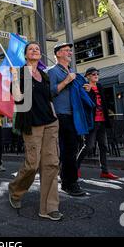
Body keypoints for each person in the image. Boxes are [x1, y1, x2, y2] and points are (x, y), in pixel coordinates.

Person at [8, 41, 62, 221]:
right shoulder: (21, 73)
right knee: (32, 164)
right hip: (31, 124)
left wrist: (54, 115)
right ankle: (15, 191)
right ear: (25, 55)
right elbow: (18, 98)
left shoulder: (44, 76)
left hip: (50, 123)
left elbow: (49, 99)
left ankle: (49, 208)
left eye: (37, 48)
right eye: (31, 48)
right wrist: (15, 78)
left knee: (51, 164)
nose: (35, 50)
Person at [48, 43, 86, 196]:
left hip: (74, 115)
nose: (70, 52)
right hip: (62, 115)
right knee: (69, 149)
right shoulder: (53, 71)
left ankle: (67, 177)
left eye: (70, 50)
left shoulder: (70, 71)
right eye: (66, 50)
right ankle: (69, 183)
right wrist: (66, 81)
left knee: (74, 147)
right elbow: (50, 92)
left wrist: (85, 88)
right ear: (57, 54)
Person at [76, 67, 119, 180]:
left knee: (104, 146)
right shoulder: (84, 87)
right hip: (92, 121)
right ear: (88, 76)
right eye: (93, 74)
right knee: (88, 146)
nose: (96, 75)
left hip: (102, 121)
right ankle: (75, 168)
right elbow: (86, 104)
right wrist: (89, 91)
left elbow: (103, 103)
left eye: (97, 73)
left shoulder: (99, 86)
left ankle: (105, 171)